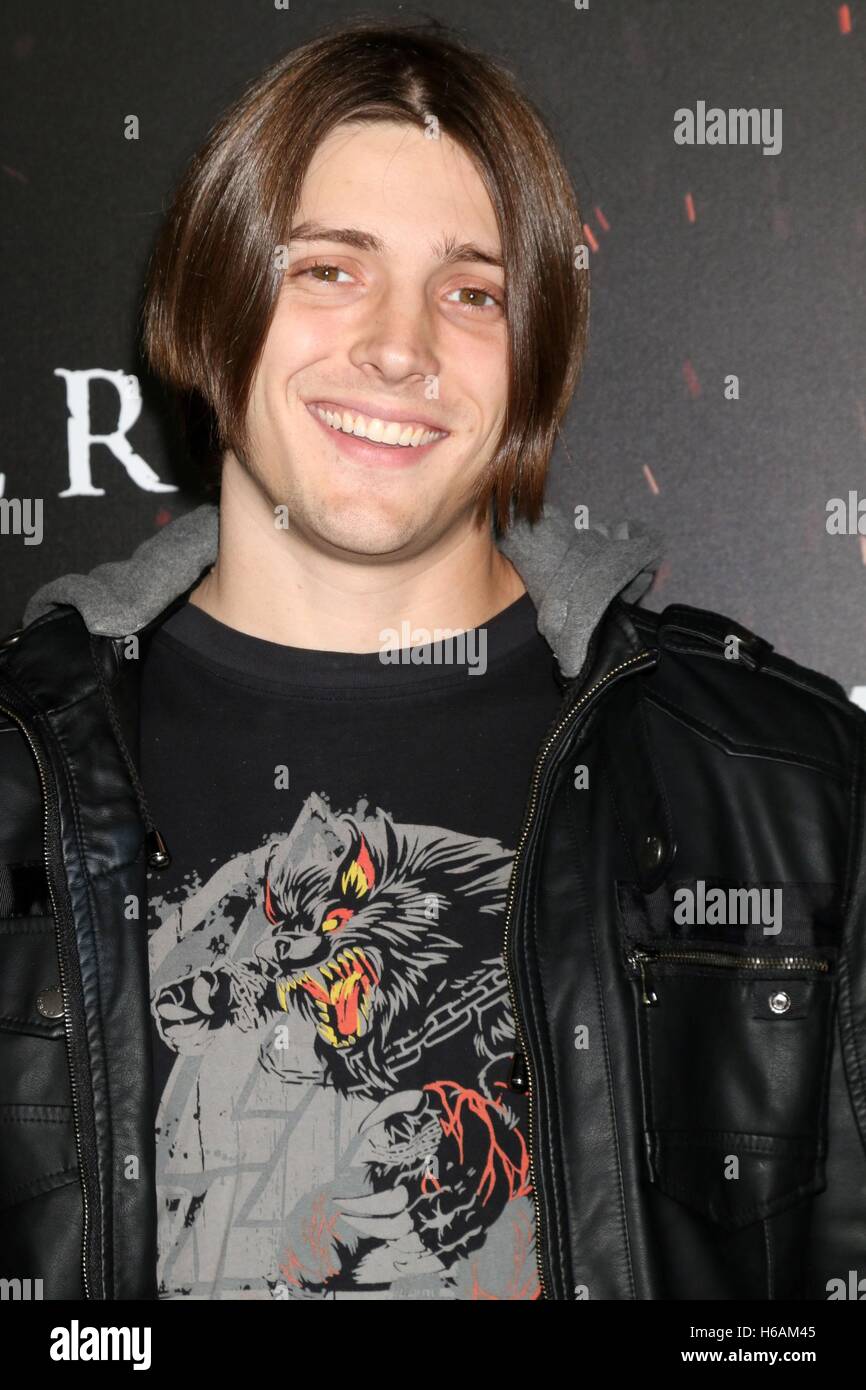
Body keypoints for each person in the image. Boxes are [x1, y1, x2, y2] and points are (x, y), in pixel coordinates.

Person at [1, 19, 864, 1303]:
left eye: (472, 291)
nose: (400, 347)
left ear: (534, 364)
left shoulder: (786, 788)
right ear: (207, 303)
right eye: (328, 270)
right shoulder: (18, 777)